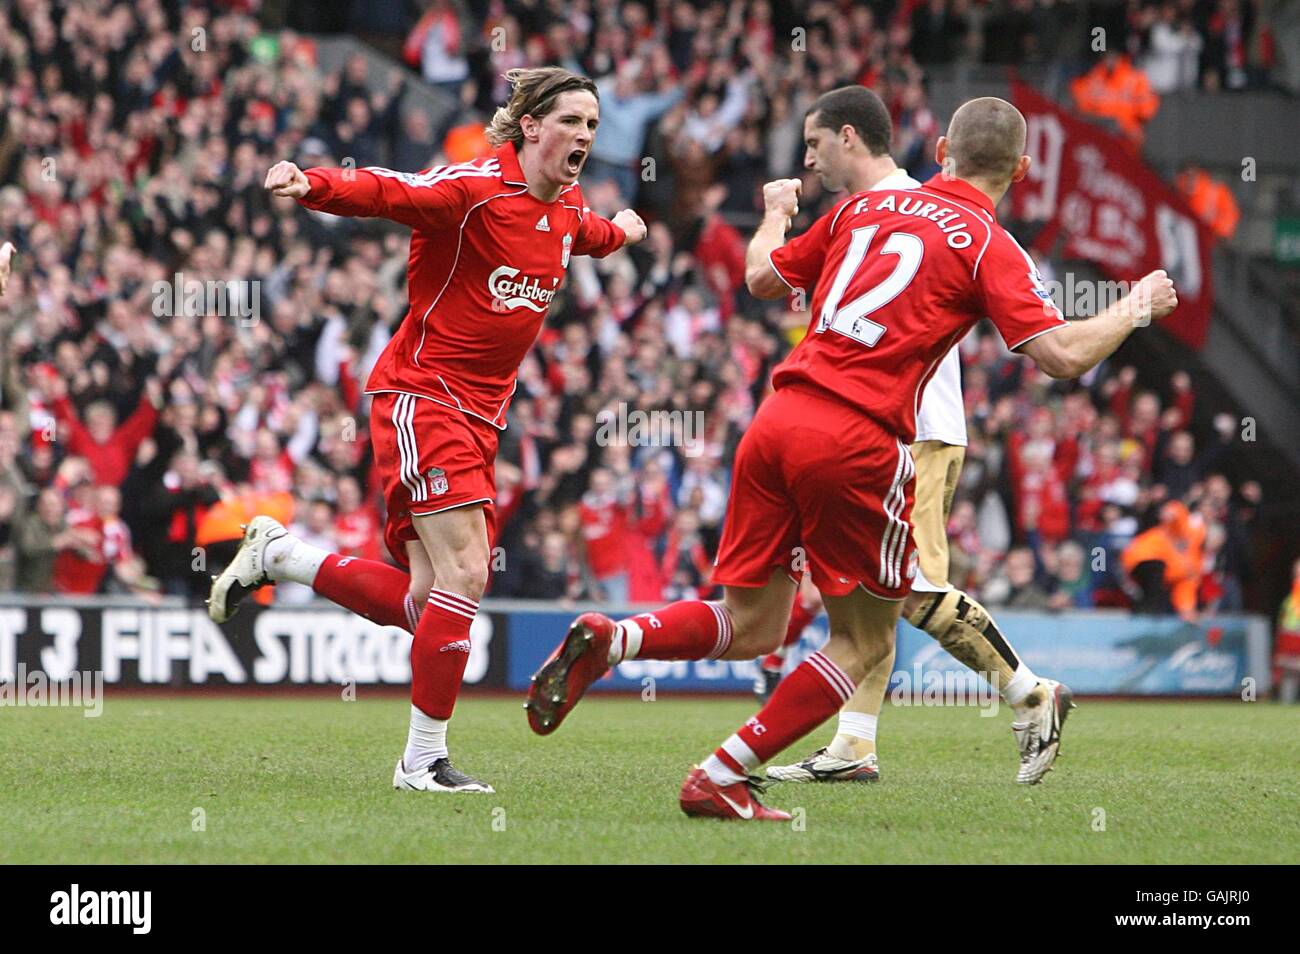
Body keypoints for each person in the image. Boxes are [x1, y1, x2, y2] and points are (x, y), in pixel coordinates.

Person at [525, 92, 1178, 820]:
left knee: (754, 624)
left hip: (776, 418)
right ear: (1021, 169)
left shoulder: (861, 209)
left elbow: (765, 277)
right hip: (860, 437)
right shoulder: (989, 243)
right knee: (863, 640)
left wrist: (775, 213)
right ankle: (721, 773)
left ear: (940, 154)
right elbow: (1058, 356)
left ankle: (616, 638)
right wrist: (1137, 305)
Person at [207, 67, 646, 794]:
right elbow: (389, 190)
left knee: (426, 602)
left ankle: (283, 557)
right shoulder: (475, 190)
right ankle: (421, 763)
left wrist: (622, 232)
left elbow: (590, 234)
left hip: (479, 419)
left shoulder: (566, 208)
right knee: (469, 574)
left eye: (594, 126)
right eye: (573, 121)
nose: (586, 138)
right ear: (533, 126)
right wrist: (313, 184)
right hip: (423, 395)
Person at [742, 86, 1071, 788]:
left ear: (851, 140)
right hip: (868, 423)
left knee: (911, 585)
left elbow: (1052, 349)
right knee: (863, 590)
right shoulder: (893, 209)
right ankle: (855, 744)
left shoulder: (901, 209)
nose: (807, 160)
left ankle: (1032, 693)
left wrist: (774, 215)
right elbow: (768, 284)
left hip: (917, 427)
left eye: (815, 144)